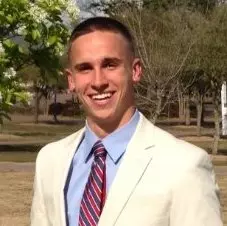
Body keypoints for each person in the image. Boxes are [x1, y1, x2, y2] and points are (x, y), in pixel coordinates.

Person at [31, 17, 222, 226]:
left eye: (110, 64)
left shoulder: (185, 166)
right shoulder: (50, 161)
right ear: (71, 80)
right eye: (85, 68)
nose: (98, 82)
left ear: (136, 70)